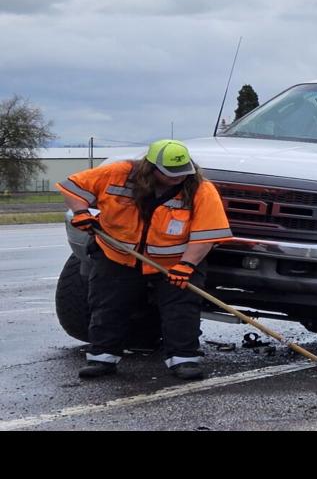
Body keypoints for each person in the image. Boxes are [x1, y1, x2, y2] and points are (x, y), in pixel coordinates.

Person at [57, 139, 232, 380]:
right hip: (117, 255)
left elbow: (208, 233)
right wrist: (81, 213)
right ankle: (102, 358)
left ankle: (184, 359)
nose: (178, 178)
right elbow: (72, 187)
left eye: (183, 172)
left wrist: (187, 265)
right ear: (150, 168)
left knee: (181, 309)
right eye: (171, 174)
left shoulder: (201, 190)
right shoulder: (117, 174)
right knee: (107, 305)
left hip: (175, 263)